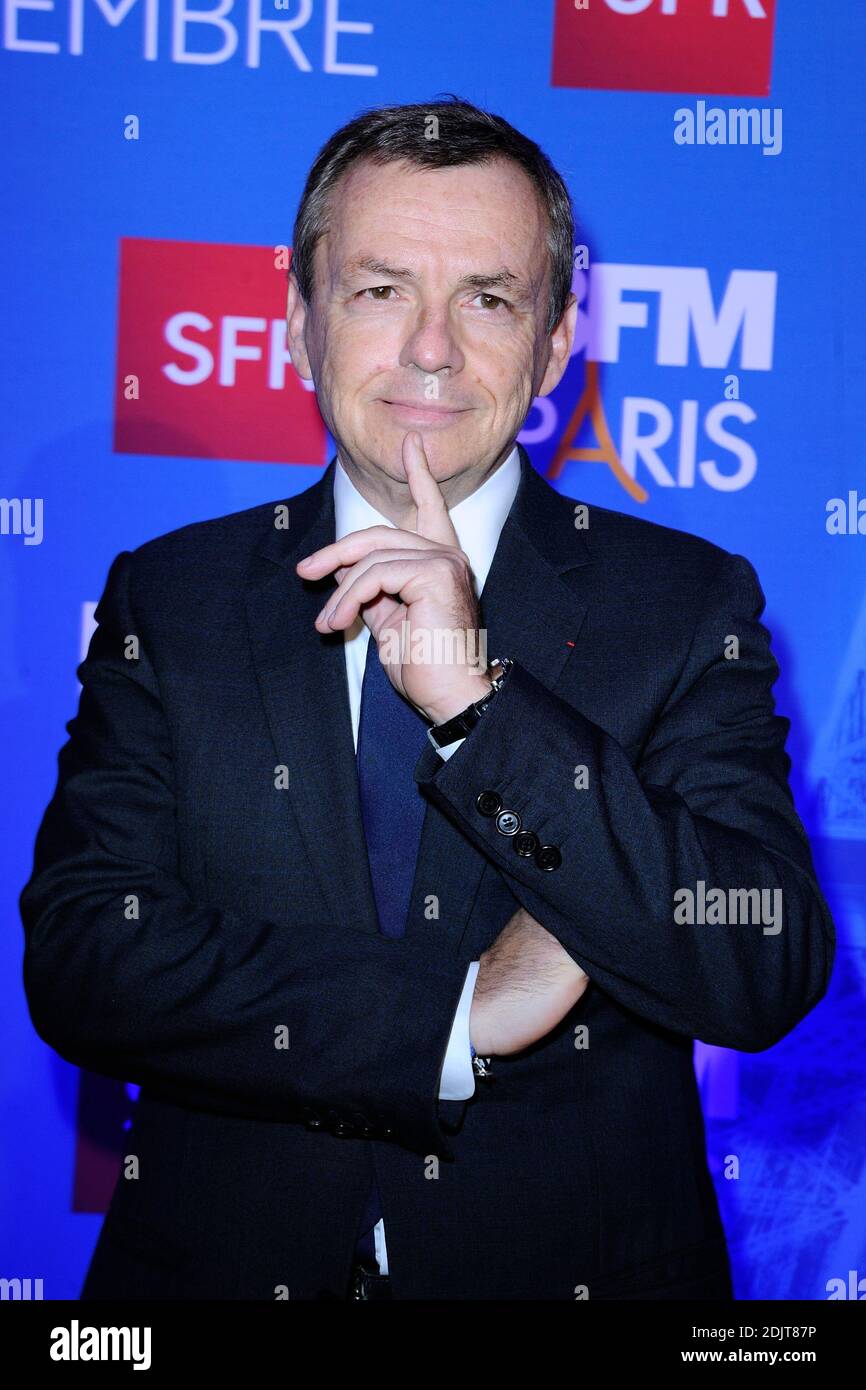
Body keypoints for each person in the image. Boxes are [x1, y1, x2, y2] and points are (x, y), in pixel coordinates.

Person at [20, 97, 834, 1301]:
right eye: (380, 289)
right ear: (296, 319)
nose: (433, 350)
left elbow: (758, 955)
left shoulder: (683, 603)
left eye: (488, 299)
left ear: (556, 342)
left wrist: (483, 711)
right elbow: (89, 957)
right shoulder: (175, 596)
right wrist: (451, 1015)